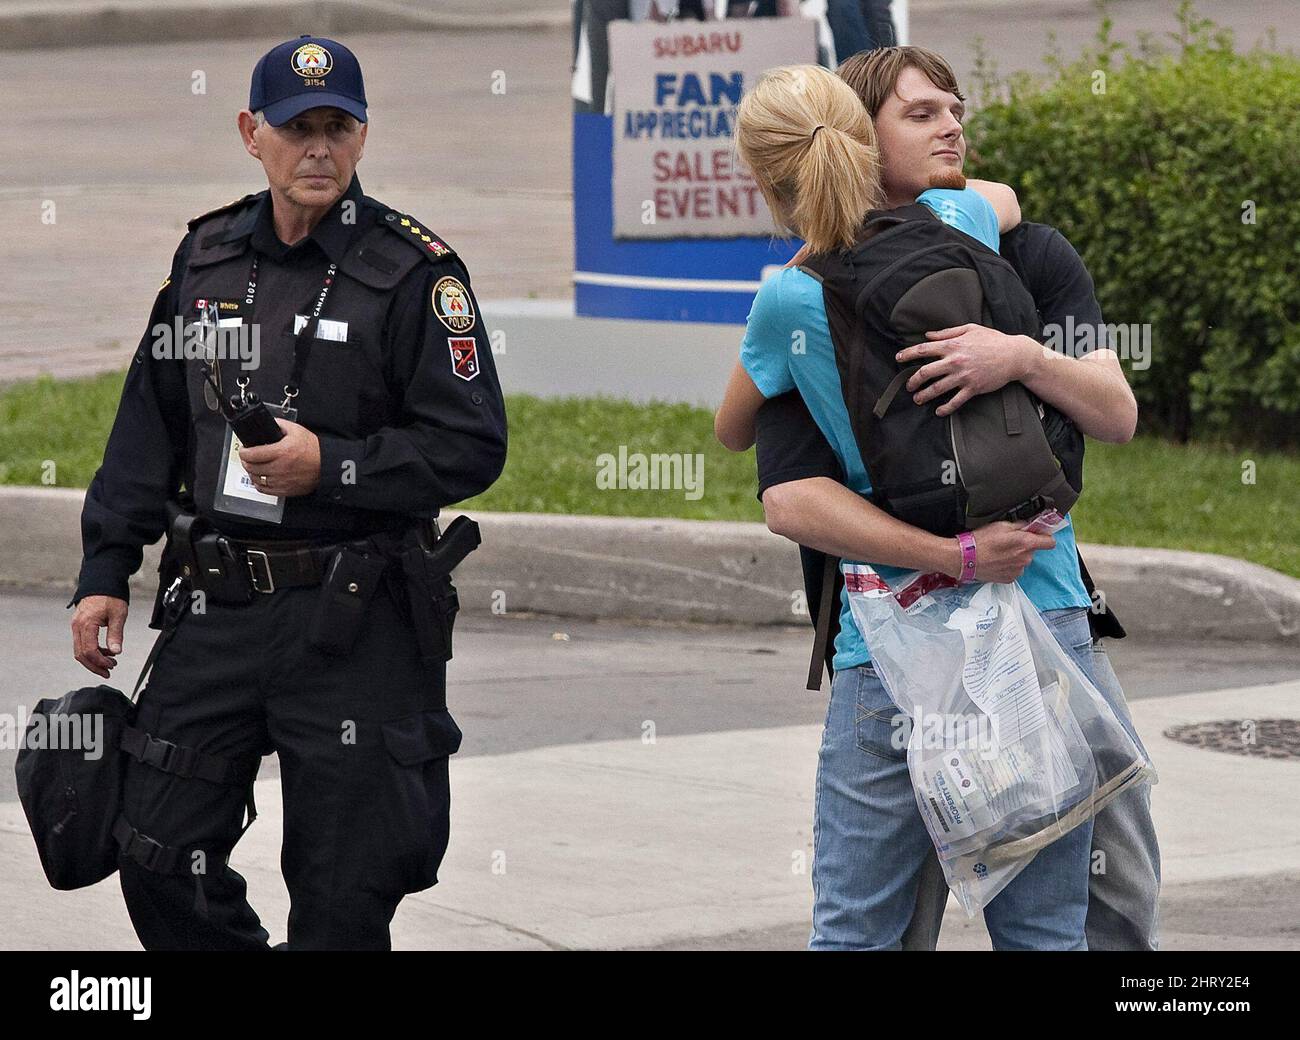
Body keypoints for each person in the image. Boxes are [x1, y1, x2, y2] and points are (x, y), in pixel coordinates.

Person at [67, 34, 508, 951]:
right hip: (218, 606)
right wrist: (106, 566)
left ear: (362, 136)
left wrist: (334, 466)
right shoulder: (207, 262)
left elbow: (470, 445)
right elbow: (148, 427)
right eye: (295, 127)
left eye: (336, 127)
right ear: (250, 134)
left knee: (344, 896)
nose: (318, 148)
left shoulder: (414, 274)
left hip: (356, 616)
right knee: (153, 851)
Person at [721, 59, 1154, 950]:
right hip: (1027, 627)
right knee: (1043, 931)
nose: (952, 127)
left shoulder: (794, 297)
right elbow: (792, 498)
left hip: (905, 638)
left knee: (861, 930)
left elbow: (735, 435)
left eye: (956, 111)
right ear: (860, 136)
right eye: (921, 114)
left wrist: (1024, 358)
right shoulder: (970, 226)